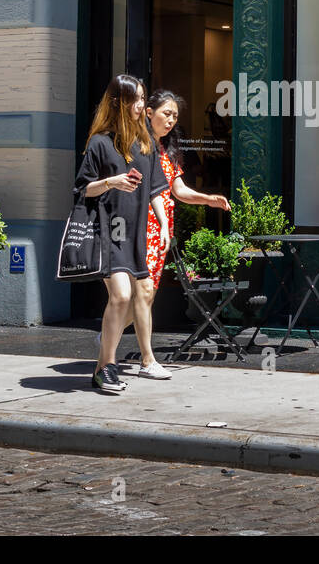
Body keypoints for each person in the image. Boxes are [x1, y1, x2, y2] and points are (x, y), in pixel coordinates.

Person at [74, 74, 169, 395]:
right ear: (119, 103)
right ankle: (109, 365)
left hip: (135, 235)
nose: (143, 105)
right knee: (121, 295)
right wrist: (111, 182)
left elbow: (156, 188)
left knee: (141, 293)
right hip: (107, 231)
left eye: (143, 98)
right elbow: (82, 189)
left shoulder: (146, 144)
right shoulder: (100, 143)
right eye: (137, 99)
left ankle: (104, 367)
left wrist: (164, 224)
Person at [134, 91, 231, 377]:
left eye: (175, 116)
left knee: (144, 294)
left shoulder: (167, 150)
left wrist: (208, 198)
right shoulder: (139, 147)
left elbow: (179, 191)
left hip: (160, 231)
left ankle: (110, 333)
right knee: (144, 292)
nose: (171, 120)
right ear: (149, 112)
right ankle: (147, 360)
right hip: (141, 226)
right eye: (167, 113)